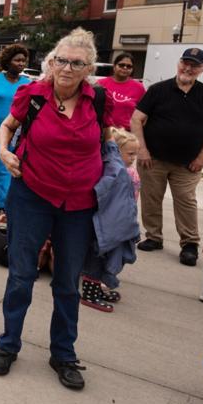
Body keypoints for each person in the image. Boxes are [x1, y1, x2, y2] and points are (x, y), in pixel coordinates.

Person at [0, 28, 115, 390]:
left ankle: (63, 353)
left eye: (77, 62)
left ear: (88, 67)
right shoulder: (34, 94)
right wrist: (3, 150)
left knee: (67, 282)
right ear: (51, 62)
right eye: (61, 60)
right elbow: (7, 127)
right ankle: (8, 344)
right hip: (31, 196)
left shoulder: (99, 100)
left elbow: (107, 144)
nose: (67, 68)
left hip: (78, 203)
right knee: (21, 275)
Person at [131, 48, 203, 267]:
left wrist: (202, 157)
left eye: (194, 65)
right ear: (179, 63)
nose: (188, 68)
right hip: (152, 159)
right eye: (185, 63)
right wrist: (142, 150)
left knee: (186, 200)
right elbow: (136, 120)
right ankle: (154, 237)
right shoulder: (158, 90)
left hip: (189, 164)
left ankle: (190, 244)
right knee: (151, 198)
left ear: (202, 69)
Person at [80, 127, 141, 313]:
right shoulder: (111, 170)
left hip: (118, 220)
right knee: (97, 256)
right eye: (130, 154)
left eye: (135, 155)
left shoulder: (126, 171)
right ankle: (89, 292)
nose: (133, 158)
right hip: (105, 223)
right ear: (116, 151)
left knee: (106, 255)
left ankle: (97, 288)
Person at [0, 43, 31, 211]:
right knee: (0, 169)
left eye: (23, 61)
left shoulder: (28, 83)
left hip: (18, 134)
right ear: (8, 61)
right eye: (17, 60)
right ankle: (7, 206)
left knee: (12, 168)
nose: (21, 64)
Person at [98, 53, 146, 131]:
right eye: (121, 65)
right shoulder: (100, 84)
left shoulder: (139, 88)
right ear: (114, 66)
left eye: (129, 66)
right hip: (103, 131)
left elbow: (143, 113)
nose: (125, 68)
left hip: (127, 134)